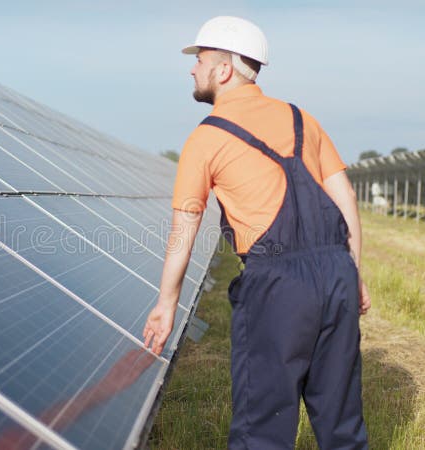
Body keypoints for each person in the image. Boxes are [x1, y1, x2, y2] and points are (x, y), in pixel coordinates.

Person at [143, 16, 371, 449]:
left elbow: (184, 228)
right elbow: (345, 197)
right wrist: (352, 271)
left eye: (201, 59)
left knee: (262, 425)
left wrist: (166, 303)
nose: (192, 68)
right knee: (342, 420)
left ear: (225, 69)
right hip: (336, 271)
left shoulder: (205, 138)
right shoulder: (302, 118)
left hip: (277, 284)